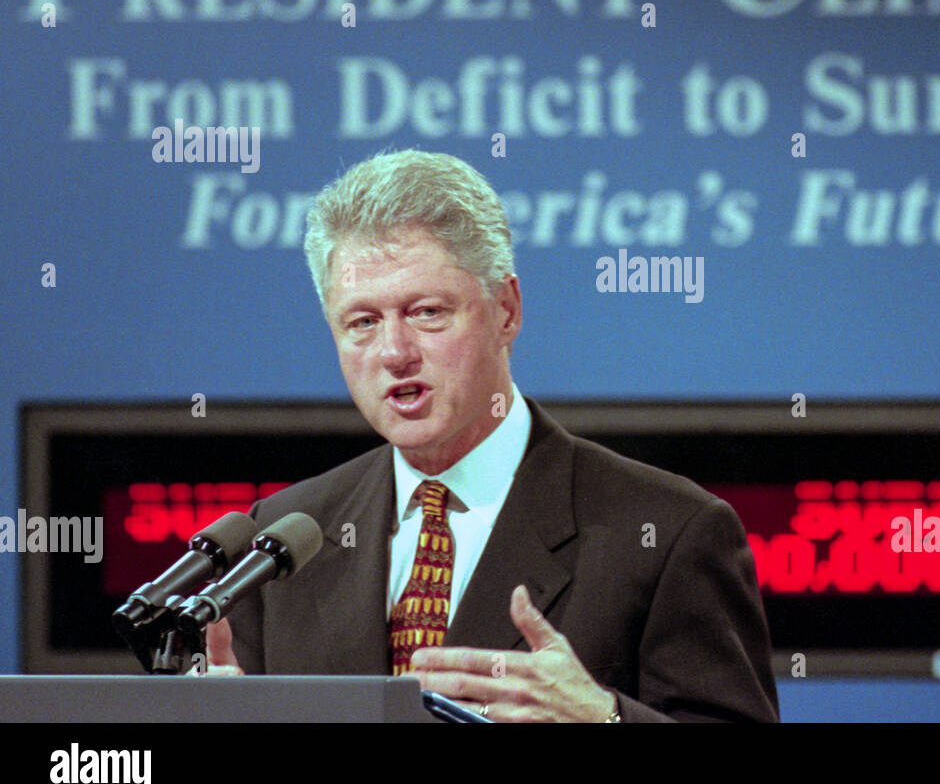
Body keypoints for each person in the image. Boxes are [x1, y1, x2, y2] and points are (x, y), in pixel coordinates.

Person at [207, 149, 780, 723]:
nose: (394, 353)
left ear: (505, 311)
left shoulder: (668, 532)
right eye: (362, 322)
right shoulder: (280, 542)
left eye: (427, 312)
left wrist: (606, 720)